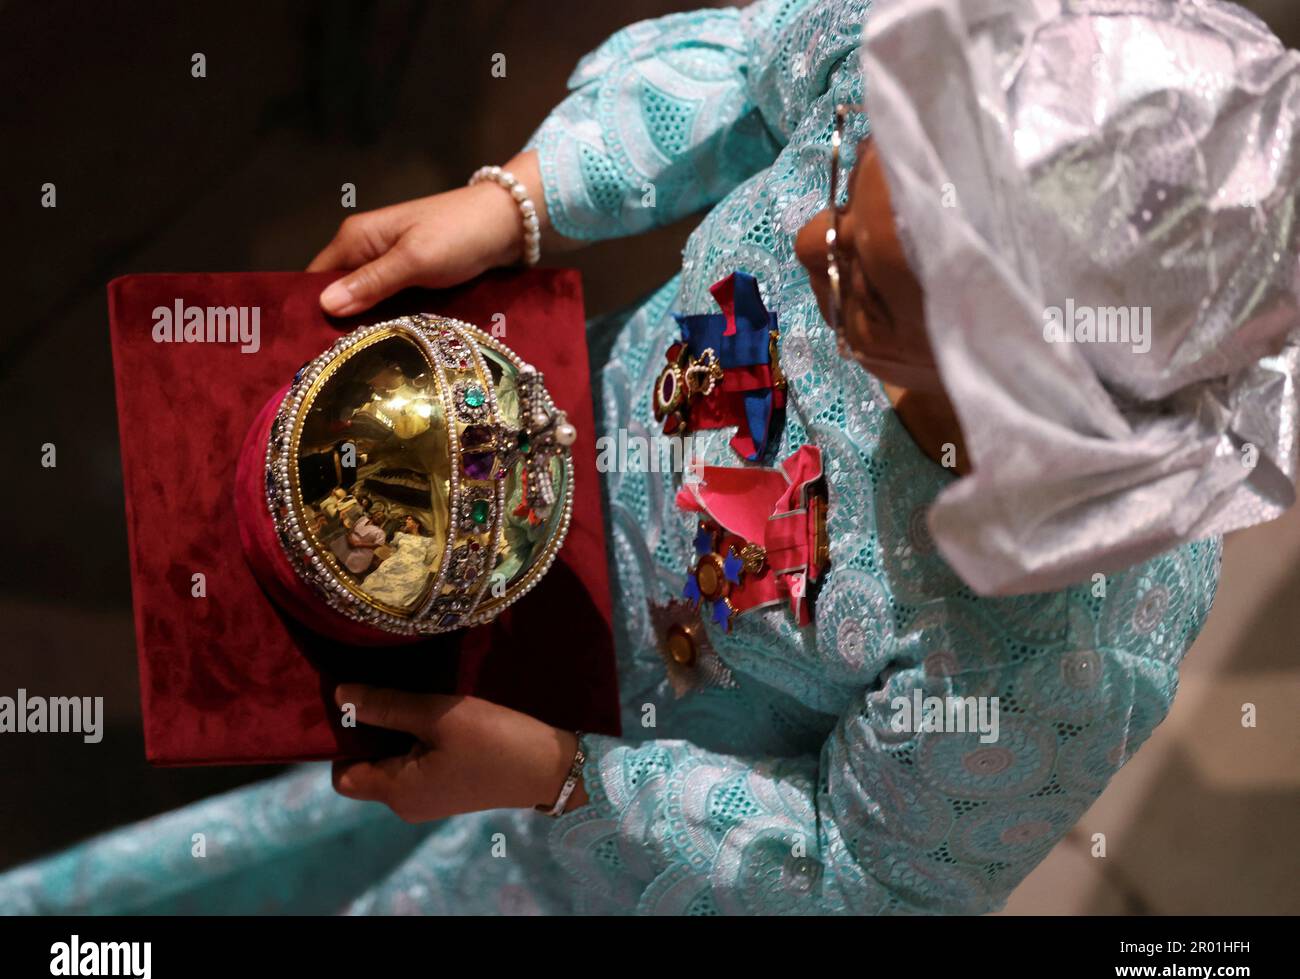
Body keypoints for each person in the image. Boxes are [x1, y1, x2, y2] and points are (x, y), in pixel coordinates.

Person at [3, 0, 1285, 916]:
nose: (812, 241)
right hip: (521, 515)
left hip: (604, 801)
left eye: (872, 299)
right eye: (847, 182)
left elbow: (871, 873)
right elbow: (751, 69)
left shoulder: (1044, 653)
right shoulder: (941, 105)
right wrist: (520, 196)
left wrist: (562, 784)